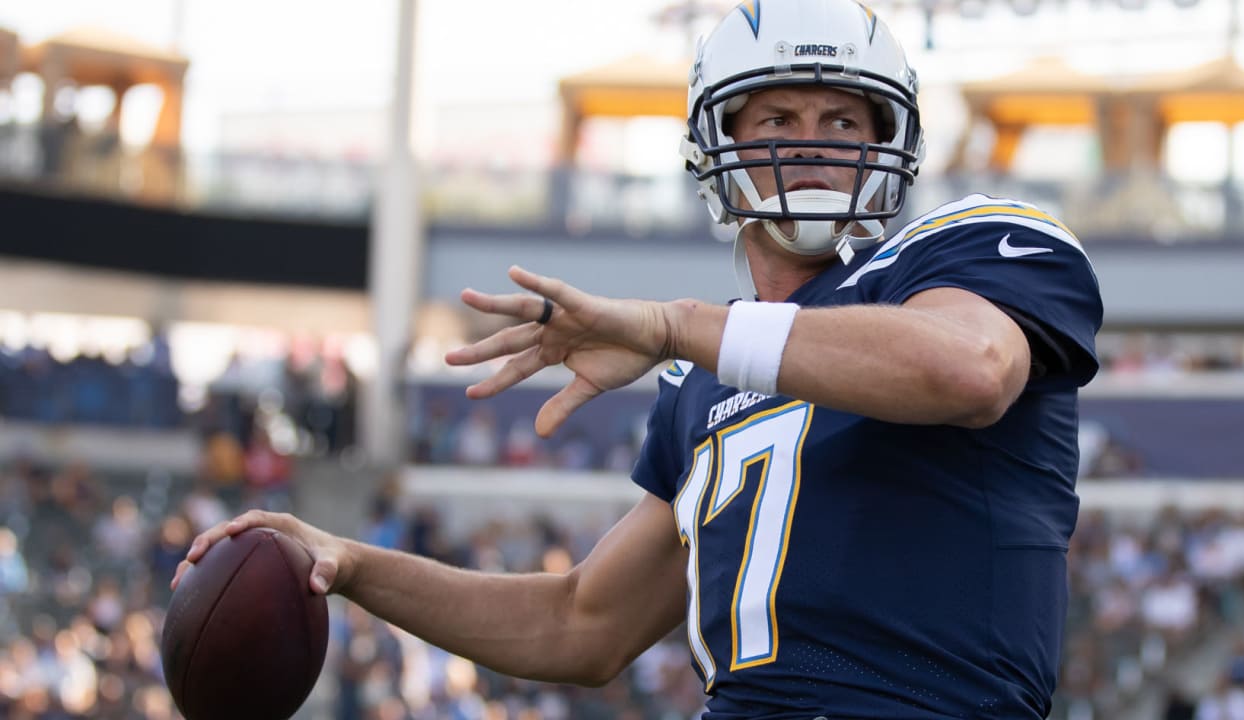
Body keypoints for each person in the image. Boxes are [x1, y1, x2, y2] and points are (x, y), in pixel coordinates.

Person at [174, 1, 1103, 717]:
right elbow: (579, 622)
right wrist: (353, 562)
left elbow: (968, 369)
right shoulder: (704, 379)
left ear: (888, 144)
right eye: (775, 118)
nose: (813, 144)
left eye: (844, 120)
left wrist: (671, 327)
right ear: (717, 146)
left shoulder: (967, 250)